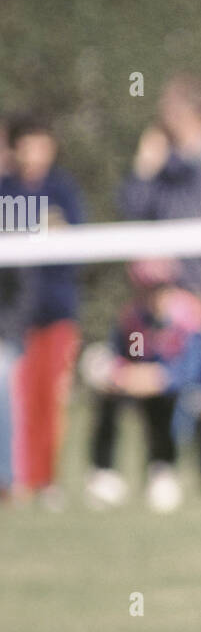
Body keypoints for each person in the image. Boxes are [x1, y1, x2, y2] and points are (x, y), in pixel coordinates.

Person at [118, 77, 201, 490]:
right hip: (165, 298)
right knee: (149, 374)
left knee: (199, 387)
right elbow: (131, 214)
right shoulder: (162, 166)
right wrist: (144, 169)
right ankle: (163, 466)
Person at [83, 260, 201, 513]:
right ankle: (104, 471)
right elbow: (134, 355)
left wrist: (161, 377)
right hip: (145, 386)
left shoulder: (188, 317)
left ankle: (162, 468)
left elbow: (194, 369)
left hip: (180, 389)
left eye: (159, 287)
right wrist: (123, 376)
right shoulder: (135, 319)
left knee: (163, 400)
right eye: (146, 288)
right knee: (107, 400)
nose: (153, 295)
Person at [1, 114, 84, 508]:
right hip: (14, 320)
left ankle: (46, 480)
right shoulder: (6, 190)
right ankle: (17, 480)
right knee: (17, 399)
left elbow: (74, 239)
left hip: (57, 314)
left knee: (51, 400)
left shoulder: (63, 190)